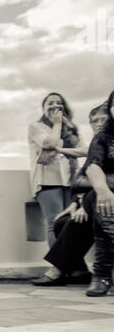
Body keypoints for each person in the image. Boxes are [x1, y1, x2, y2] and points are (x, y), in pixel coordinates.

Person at [32, 103, 107, 286]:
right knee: (61, 222)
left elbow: (106, 180)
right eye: (94, 121)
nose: (98, 124)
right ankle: (79, 271)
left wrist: (86, 205)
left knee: (76, 222)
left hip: (105, 201)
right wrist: (75, 203)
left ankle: (57, 270)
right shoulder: (98, 143)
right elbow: (83, 177)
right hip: (96, 202)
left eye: (103, 120)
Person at [28, 93, 86, 248]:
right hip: (47, 180)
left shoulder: (71, 129)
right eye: (50, 103)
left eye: (58, 103)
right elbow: (49, 143)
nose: (55, 106)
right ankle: (58, 262)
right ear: (43, 108)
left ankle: (69, 260)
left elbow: (84, 150)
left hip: (70, 179)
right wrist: (58, 123)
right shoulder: (36, 127)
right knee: (54, 223)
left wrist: (63, 144)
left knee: (69, 223)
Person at [84, 90, 114, 296]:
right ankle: (101, 275)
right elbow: (93, 165)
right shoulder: (104, 137)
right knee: (102, 204)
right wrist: (103, 191)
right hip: (105, 191)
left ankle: (102, 275)